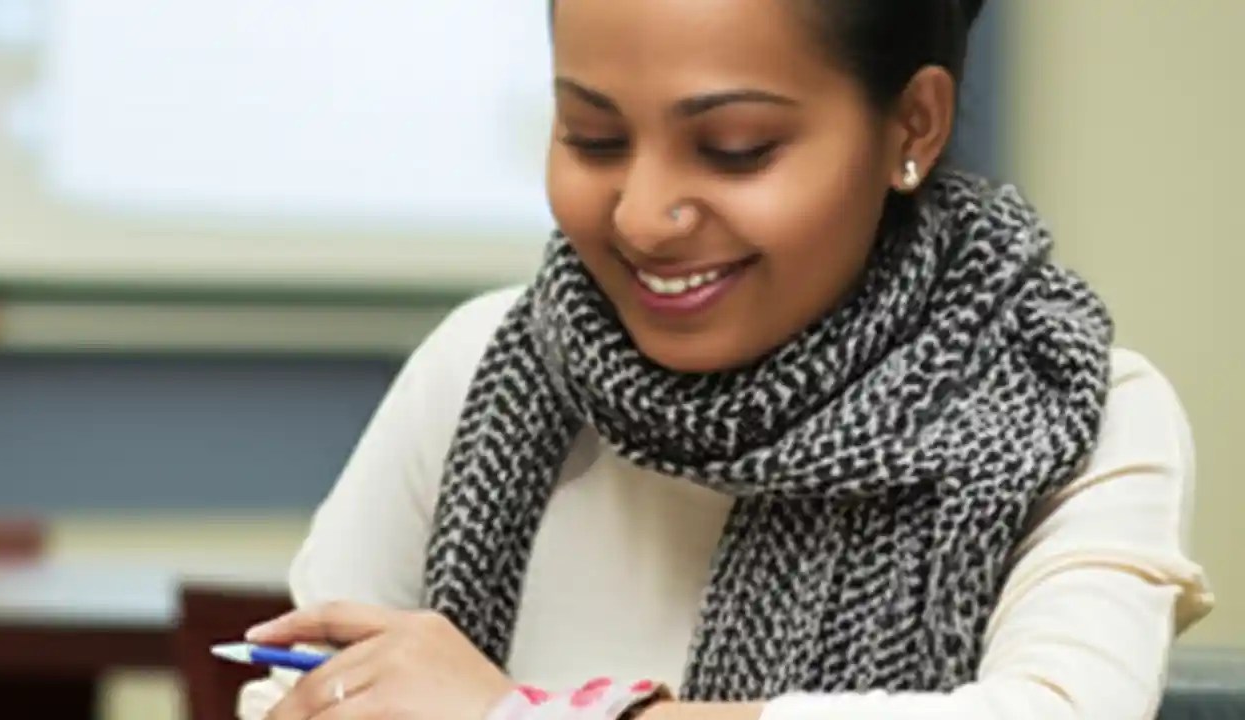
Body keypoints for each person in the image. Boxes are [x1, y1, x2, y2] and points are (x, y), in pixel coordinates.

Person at [239, 0, 1213, 718]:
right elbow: (302, 690)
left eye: (735, 148)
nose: (640, 216)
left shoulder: (1066, 407)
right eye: (593, 136)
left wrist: (529, 717)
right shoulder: (483, 367)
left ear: (911, 125)